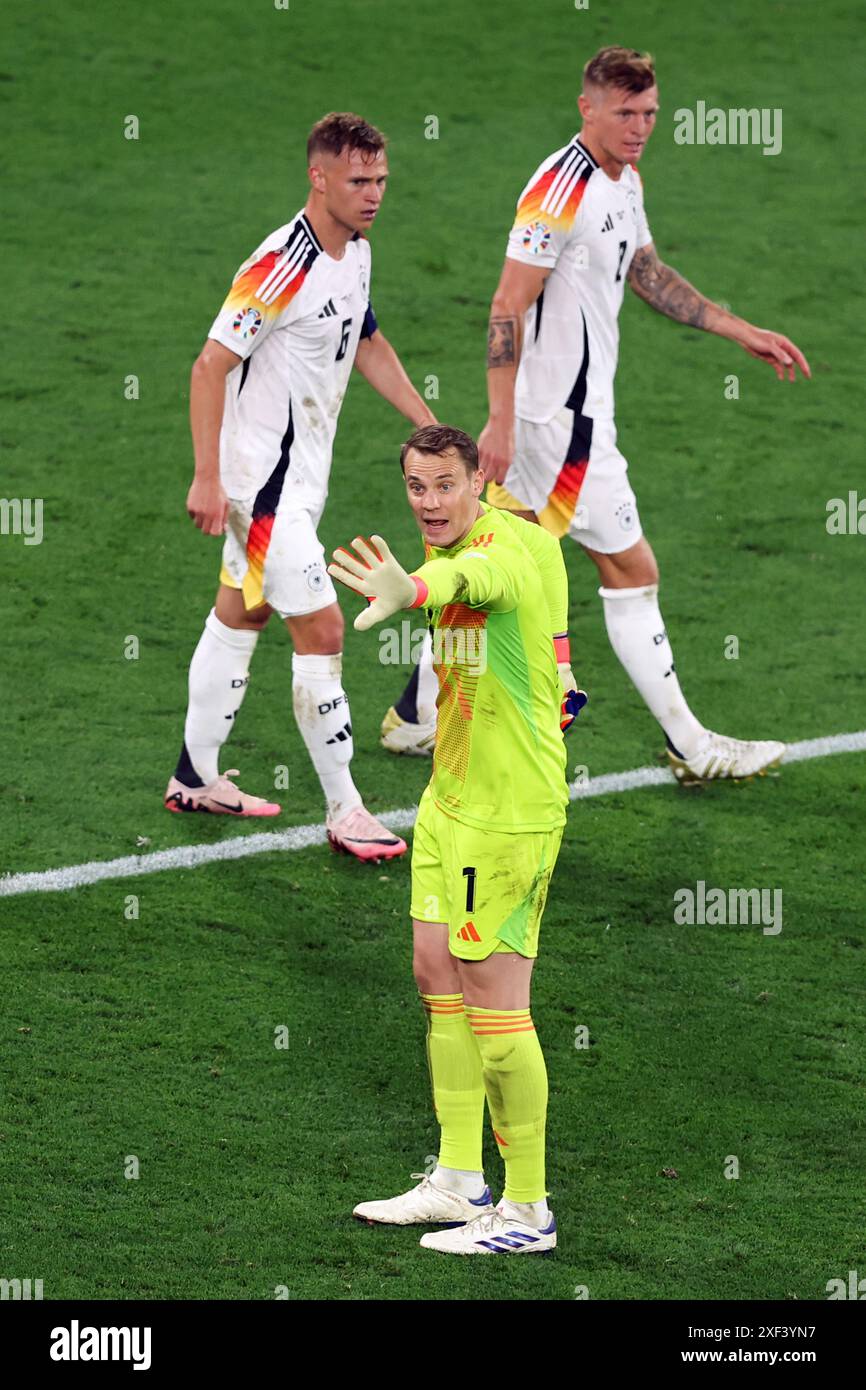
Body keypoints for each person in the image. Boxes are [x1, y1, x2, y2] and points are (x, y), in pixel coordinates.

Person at [384, 47, 810, 783]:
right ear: (588, 108)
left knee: (489, 560)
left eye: (648, 112)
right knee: (629, 568)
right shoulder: (558, 190)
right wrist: (501, 419)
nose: (640, 126)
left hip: (569, 418)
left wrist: (739, 330)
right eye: (625, 113)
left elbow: (645, 272)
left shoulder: (624, 179)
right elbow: (506, 305)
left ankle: (414, 716)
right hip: (559, 428)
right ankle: (692, 744)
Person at [329, 424, 584, 1255]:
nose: (429, 501)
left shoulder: (495, 554)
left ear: (478, 478)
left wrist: (412, 592)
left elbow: (479, 579)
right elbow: (532, 595)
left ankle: (527, 1211)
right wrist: (563, 671)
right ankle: (458, 1178)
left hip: (506, 815)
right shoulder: (515, 532)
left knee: (497, 1009)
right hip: (448, 799)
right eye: (415, 486)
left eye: (445, 485)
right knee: (435, 973)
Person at [164, 112, 435, 861]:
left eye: (380, 179)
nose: (374, 193)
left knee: (241, 613)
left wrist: (427, 425)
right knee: (323, 629)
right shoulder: (279, 265)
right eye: (358, 181)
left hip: (299, 485)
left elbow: (366, 338)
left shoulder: (355, 252)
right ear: (318, 178)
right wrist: (208, 477)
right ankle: (346, 809)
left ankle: (195, 775)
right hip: (262, 489)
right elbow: (208, 366)